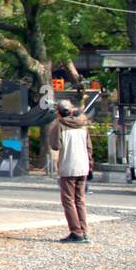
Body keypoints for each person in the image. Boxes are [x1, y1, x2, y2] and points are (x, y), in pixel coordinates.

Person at [46, 100, 93, 243]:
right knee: (80, 200)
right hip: (83, 165)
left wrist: (54, 125)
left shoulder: (60, 126)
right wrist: (90, 165)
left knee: (68, 200)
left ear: (59, 112)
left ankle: (76, 232)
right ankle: (84, 231)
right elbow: (89, 148)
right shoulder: (83, 125)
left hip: (68, 166)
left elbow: (55, 146)